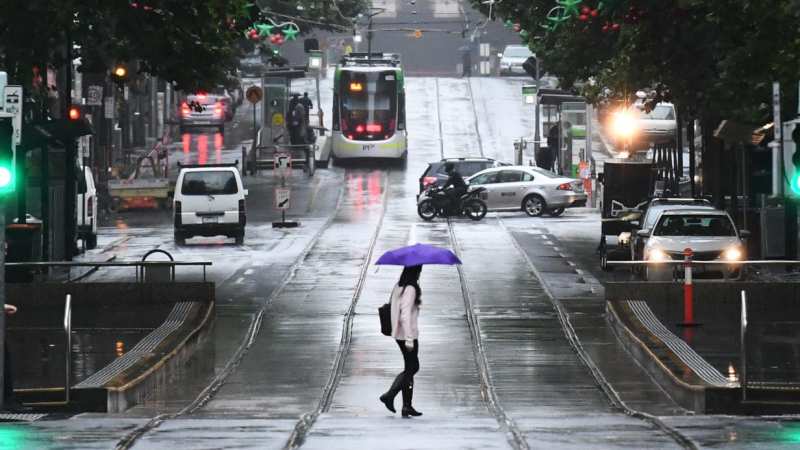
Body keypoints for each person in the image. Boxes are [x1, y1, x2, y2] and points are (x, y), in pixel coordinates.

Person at [380, 266, 423, 418]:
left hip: (401, 334)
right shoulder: (410, 288)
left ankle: (406, 406)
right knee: (412, 367)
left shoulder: (399, 286)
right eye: (419, 270)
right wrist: (409, 339)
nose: (420, 273)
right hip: (407, 335)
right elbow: (404, 314)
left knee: (410, 368)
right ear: (415, 271)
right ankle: (390, 395)